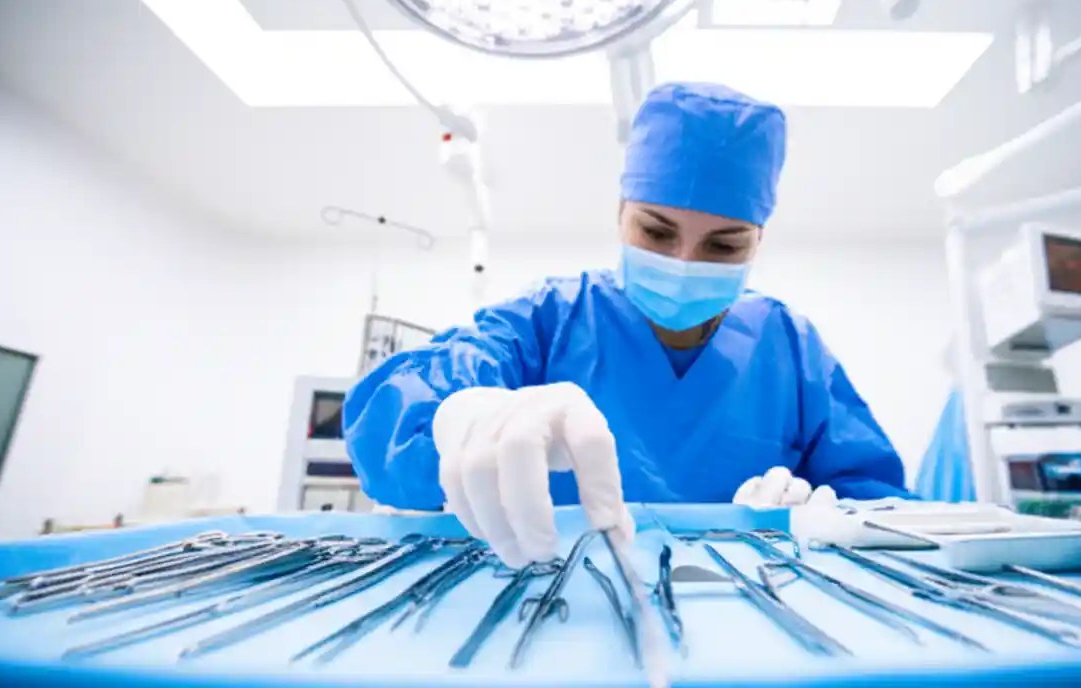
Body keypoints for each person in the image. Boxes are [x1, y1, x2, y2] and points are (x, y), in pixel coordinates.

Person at [345, 82, 912, 567]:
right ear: (621, 213)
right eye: (657, 233)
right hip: (555, 604)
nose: (685, 263)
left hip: (747, 613)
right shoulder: (550, 320)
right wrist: (454, 417)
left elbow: (880, 503)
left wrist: (825, 513)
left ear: (759, 239)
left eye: (723, 244)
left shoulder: (788, 345)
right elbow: (390, 418)